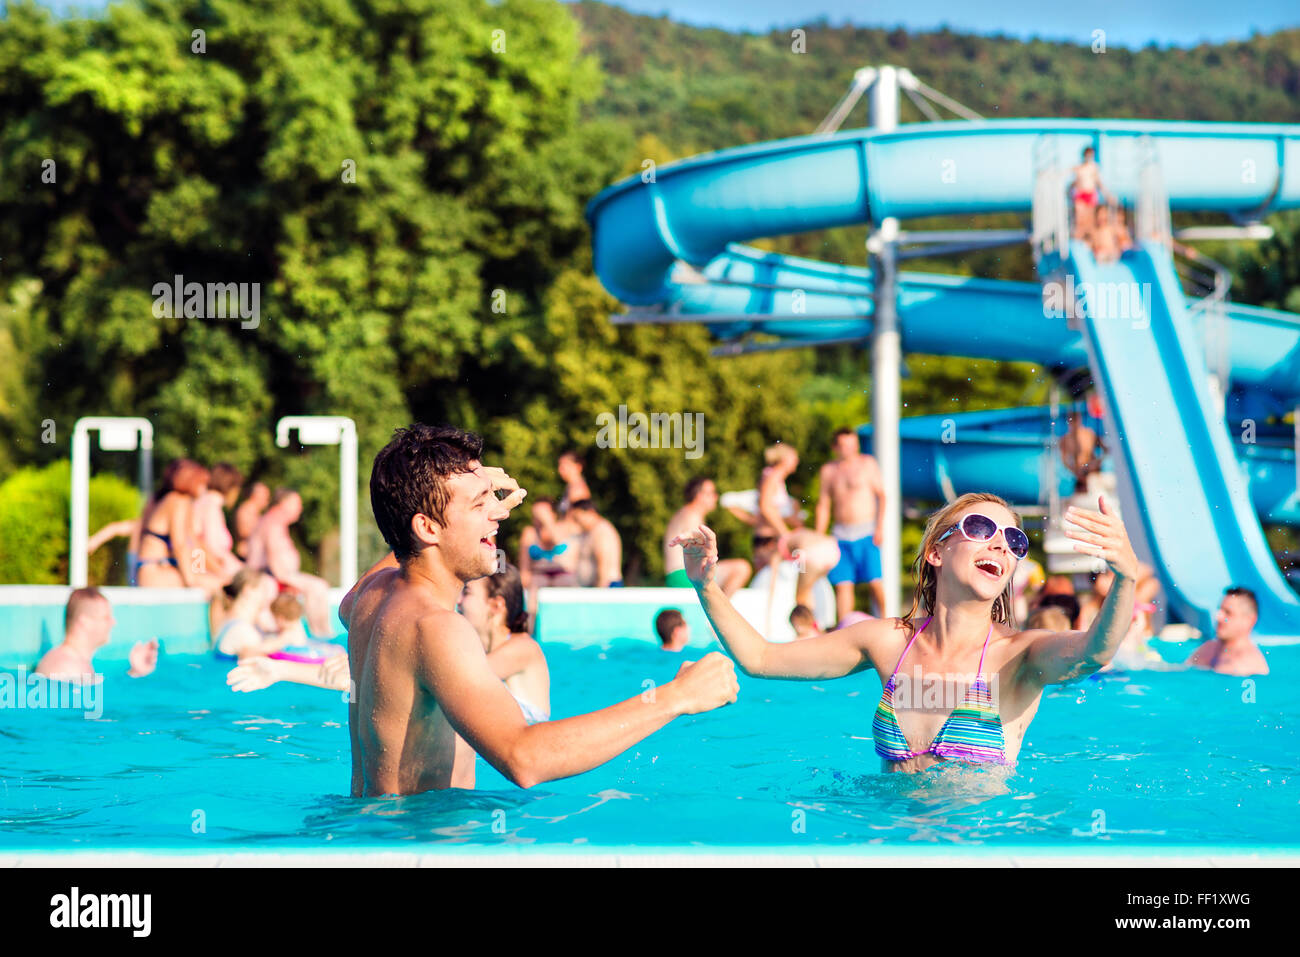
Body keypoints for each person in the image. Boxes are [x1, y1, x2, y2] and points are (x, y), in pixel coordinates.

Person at [340, 423, 738, 796]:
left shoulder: (369, 597)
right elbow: (524, 758)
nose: (500, 513)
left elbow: (403, 544)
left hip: (371, 836)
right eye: (481, 504)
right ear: (427, 528)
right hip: (424, 846)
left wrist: (460, 495)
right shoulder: (438, 628)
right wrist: (676, 697)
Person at [671, 491, 1140, 773]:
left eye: (1014, 539)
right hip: (888, 840)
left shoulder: (1021, 655)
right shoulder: (887, 641)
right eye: (979, 527)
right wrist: (705, 584)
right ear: (936, 552)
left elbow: (1093, 654)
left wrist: (1126, 578)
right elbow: (761, 660)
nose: (1000, 542)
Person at [460, 563, 551, 724]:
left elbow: (457, 682)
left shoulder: (524, 648)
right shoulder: (481, 654)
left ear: (496, 605)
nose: (458, 601)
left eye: (466, 592)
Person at [754, 443, 840, 610]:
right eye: (794, 457)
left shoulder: (776, 479)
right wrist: (785, 533)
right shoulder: (772, 477)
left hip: (774, 539)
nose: (797, 460)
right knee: (771, 587)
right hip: (768, 540)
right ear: (784, 459)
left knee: (798, 583)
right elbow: (765, 507)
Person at [816, 428, 887, 620]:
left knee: (875, 582)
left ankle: (885, 619)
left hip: (867, 531)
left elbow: (881, 496)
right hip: (840, 534)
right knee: (843, 584)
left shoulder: (867, 464)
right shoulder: (829, 470)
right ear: (835, 447)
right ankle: (844, 627)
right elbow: (823, 504)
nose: (848, 449)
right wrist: (819, 537)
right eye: (844, 445)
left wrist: (880, 527)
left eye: (851, 444)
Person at [244, 488, 333, 638]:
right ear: (283, 504)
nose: (300, 508)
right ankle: (321, 635)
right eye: (296, 503)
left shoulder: (275, 523)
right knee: (317, 587)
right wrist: (290, 583)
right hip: (267, 577)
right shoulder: (272, 524)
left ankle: (322, 634)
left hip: (273, 575)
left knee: (318, 586)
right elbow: (274, 563)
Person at [135, 459, 223, 594]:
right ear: (190, 481)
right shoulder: (177, 501)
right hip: (155, 573)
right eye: (202, 483)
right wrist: (191, 581)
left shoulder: (178, 502)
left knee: (222, 583)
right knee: (220, 588)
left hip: (158, 571)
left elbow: (195, 545)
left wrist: (214, 571)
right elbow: (180, 545)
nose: (204, 489)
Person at [35, 588, 157, 682]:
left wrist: (135, 672)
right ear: (85, 622)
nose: (113, 622)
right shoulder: (67, 667)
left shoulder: (75, 663)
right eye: (106, 617)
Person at [664, 477, 751, 594]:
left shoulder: (684, 513)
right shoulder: (692, 515)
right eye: (712, 493)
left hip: (677, 576)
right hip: (684, 577)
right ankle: (719, 610)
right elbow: (699, 555)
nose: (716, 497)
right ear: (699, 495)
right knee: (742, 568)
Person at [1186, 587, 1270, 676]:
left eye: (1228, 612)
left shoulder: (1246, 667)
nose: (1218, 617)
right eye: (1220, 610)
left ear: (1249, 620)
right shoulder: (1209, 648)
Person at [192, 462, 243, 582]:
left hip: (203, 568)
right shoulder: (211, 506)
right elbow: (212, 546)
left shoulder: (203, 502)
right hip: (209, 570)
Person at [212, 567, 279, 659]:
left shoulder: (227, 620)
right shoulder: (243, 631)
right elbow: (260, 668)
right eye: (264, 590)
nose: (268, 596)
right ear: (248, 590)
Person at [570, 499, 624, 587]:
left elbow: (603, 564)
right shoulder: (591, 531)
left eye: (577, 518)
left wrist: (599, 592)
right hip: (598, 585)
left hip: (606, 585)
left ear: (591, 512)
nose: (577, 522)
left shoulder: (601, 531)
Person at [1060, 412, 1104, 494]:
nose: (1074, 423)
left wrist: (1095, 464)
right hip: (1079, 474)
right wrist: (1076, 472)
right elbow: (1064, 461)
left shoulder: (1089, 434)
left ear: (1080, 420)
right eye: (1072, 421)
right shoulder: (1065, 440)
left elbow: (1106, 450)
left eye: (1075, 420)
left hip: (1092, 473)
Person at [1070, 146, 1107, 239]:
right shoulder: (1079, 168)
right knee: (1080, 220)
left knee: (1090, 221)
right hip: (1081, 195)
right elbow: (1074, 182)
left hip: (1090, 195)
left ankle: (1089, 241)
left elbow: (1099, 183)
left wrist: (1107, 195)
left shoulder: (1094, 167)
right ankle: (1078, 239)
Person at [234, 482, 270, 560]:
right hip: (243, 555)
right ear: (255, 496)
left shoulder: (257, 513)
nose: (267, 501)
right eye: (265, 497)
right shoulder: (245, 510)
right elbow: (243, 531)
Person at [556, 449, 592, 516]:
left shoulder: (578, 490)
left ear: (578, 467)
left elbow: (575, 520)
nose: (559, 470)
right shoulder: (570, 488)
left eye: (564, 466)